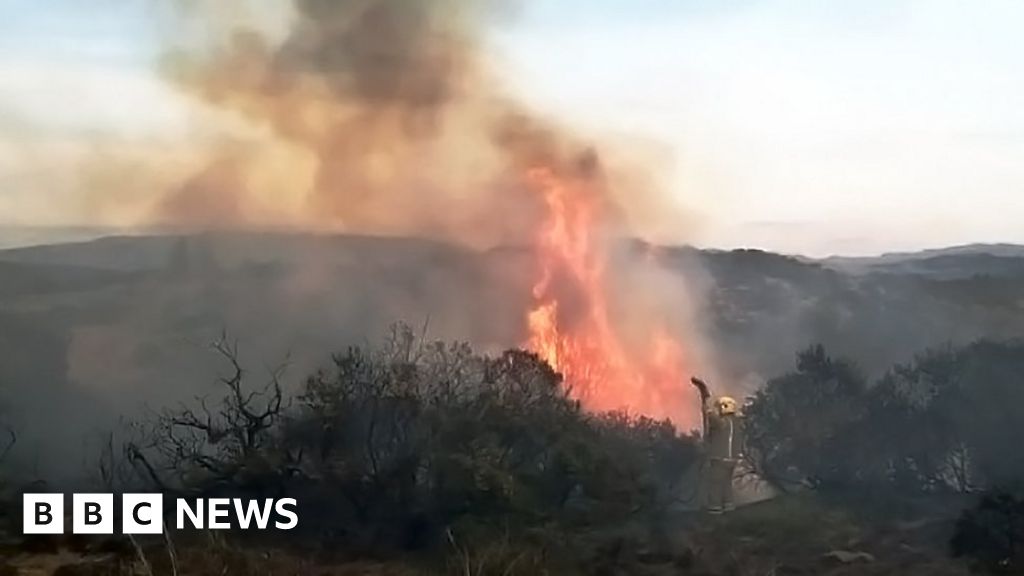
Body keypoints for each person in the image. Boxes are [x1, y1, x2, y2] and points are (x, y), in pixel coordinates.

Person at [691, 377, 744, 514]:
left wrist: (705, 399)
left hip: (720, 458)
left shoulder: (723, 422)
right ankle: (729, 507)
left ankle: (715, 509)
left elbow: (711, 418)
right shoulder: (737, 422)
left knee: (715, 484)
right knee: (726, 484)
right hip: (732, 459)